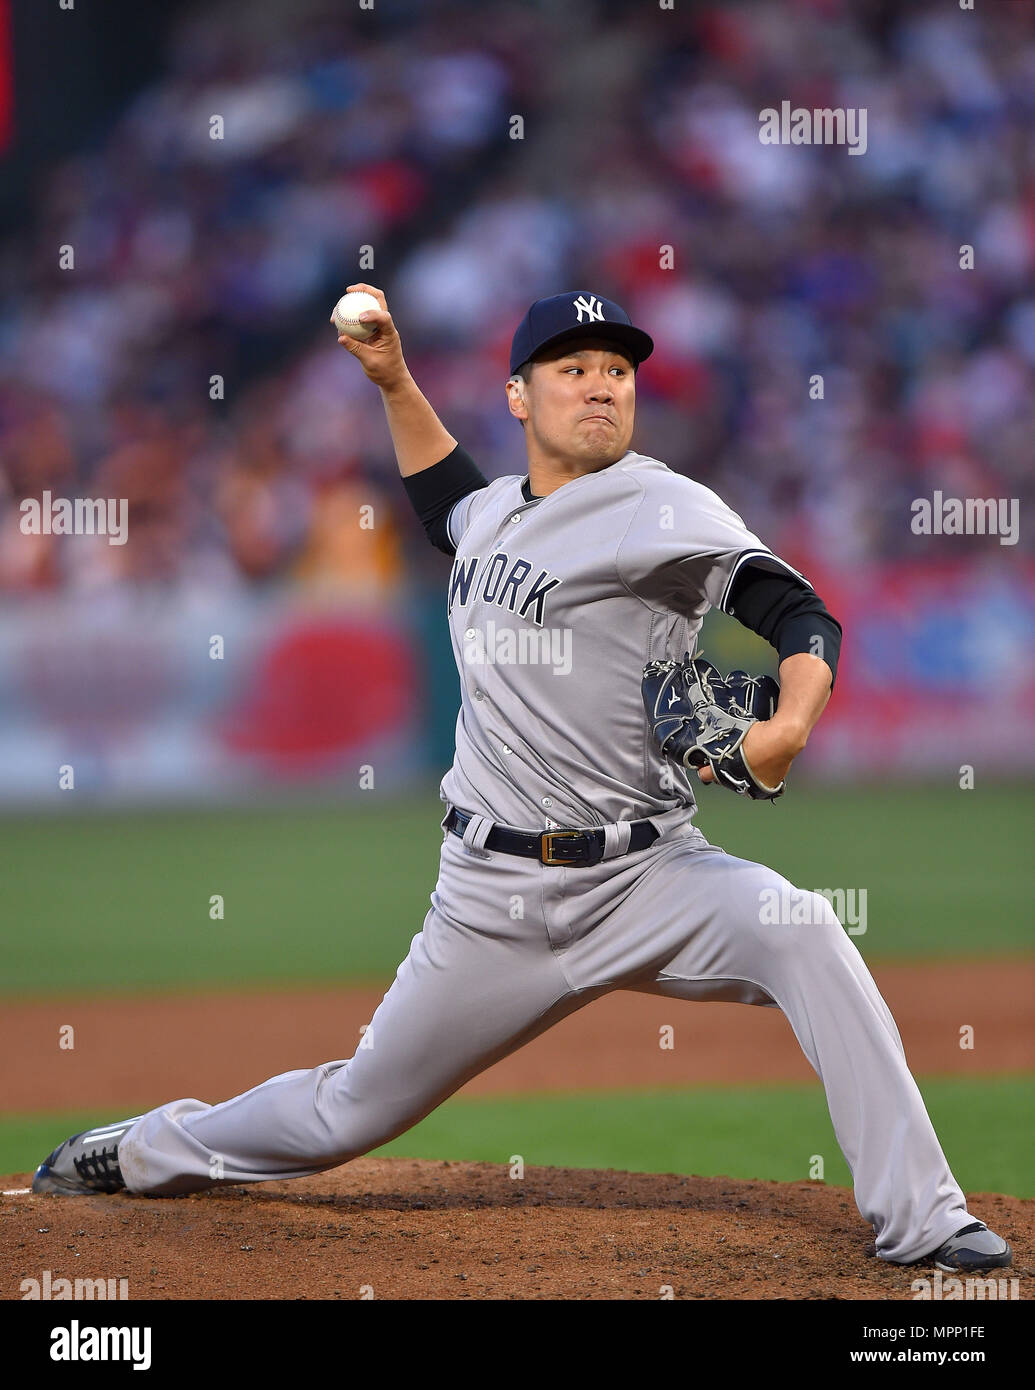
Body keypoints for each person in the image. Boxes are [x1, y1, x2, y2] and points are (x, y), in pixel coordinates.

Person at [32, 286, 1010, 1276]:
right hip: (488, 899)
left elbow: (798, 611)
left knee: (806, 930)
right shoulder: (493, 511)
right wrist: (393, 378)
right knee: (347, 1110)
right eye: (572, 368)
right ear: (518, 395)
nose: (600, 387)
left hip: (650, 876)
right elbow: (439, 494)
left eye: (618, 371)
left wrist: (789, 723)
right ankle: (144, 1147)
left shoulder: (661, 505)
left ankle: (923, 1218)